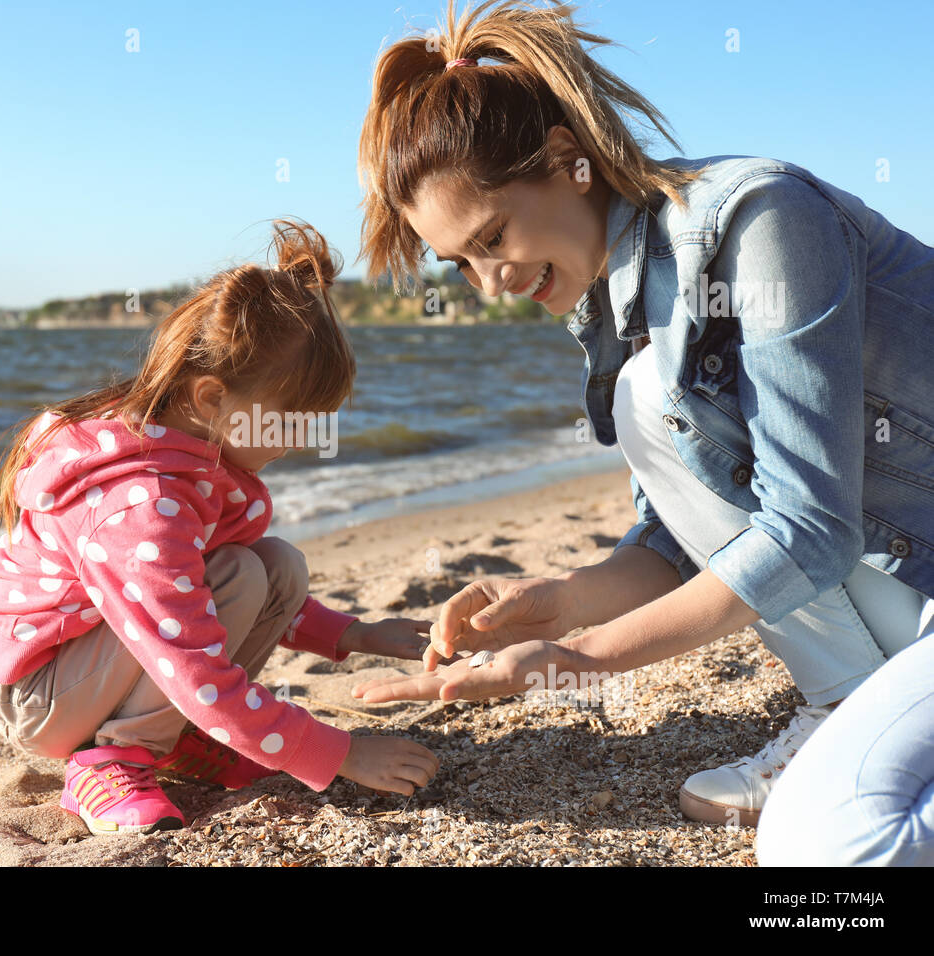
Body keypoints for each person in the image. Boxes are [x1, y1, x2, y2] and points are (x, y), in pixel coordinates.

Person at [349, 0, 934, 864]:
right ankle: (846, 701)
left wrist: (576, 660)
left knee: (830, 848)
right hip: (909, 593)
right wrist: (551, 605)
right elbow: (686, 541)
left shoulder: (761, 219)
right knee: (640, 394)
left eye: (493, 238)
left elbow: (807, 531)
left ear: (564, 161)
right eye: (461, 263)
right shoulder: (620, 316)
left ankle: (852, 710)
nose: (491, 283)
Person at [0, 219, 439, 836]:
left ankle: (173, 737)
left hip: (96, 667)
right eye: (289, 423)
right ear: (213, 397)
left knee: (274, 567)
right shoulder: (140, 501)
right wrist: (340, 752)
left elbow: (194, 605)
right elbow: (190, 659)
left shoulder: (189, 458)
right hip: (39, 695)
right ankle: (112, 759)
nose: (300, 442)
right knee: (242, 573)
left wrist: (357, 635)